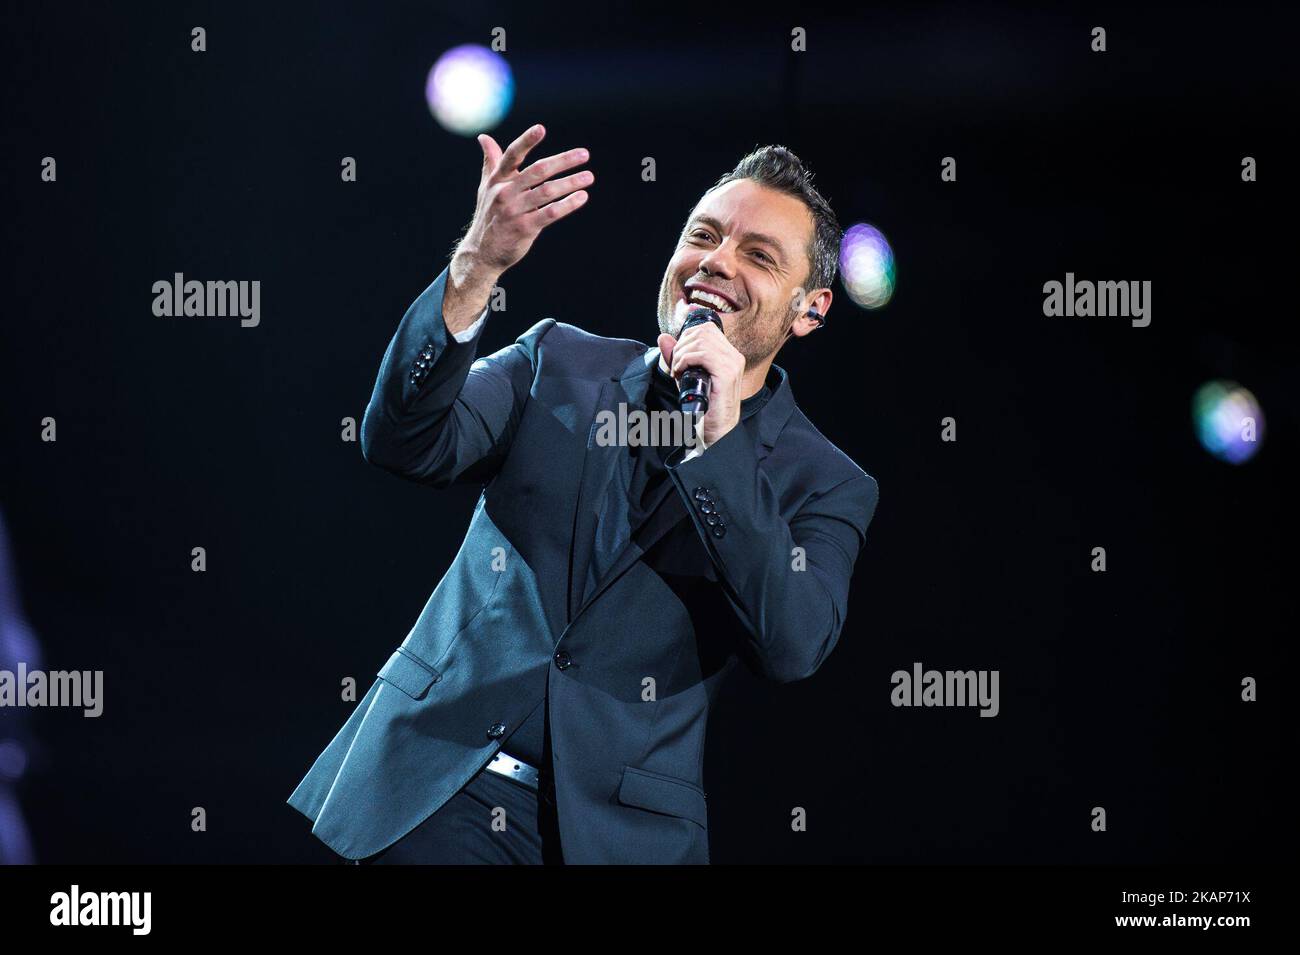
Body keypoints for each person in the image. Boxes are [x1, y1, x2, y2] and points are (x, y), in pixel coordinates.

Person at [287, 123, 879, 864]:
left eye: (758, 256)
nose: (715, 262)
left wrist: (719, 442)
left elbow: (792, 642)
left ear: (811, 308)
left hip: (616, 838)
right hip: (436, 789)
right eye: (703, 236)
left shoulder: (825, 481)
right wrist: (475, 267)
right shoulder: (556, 360)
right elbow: (404, 440)